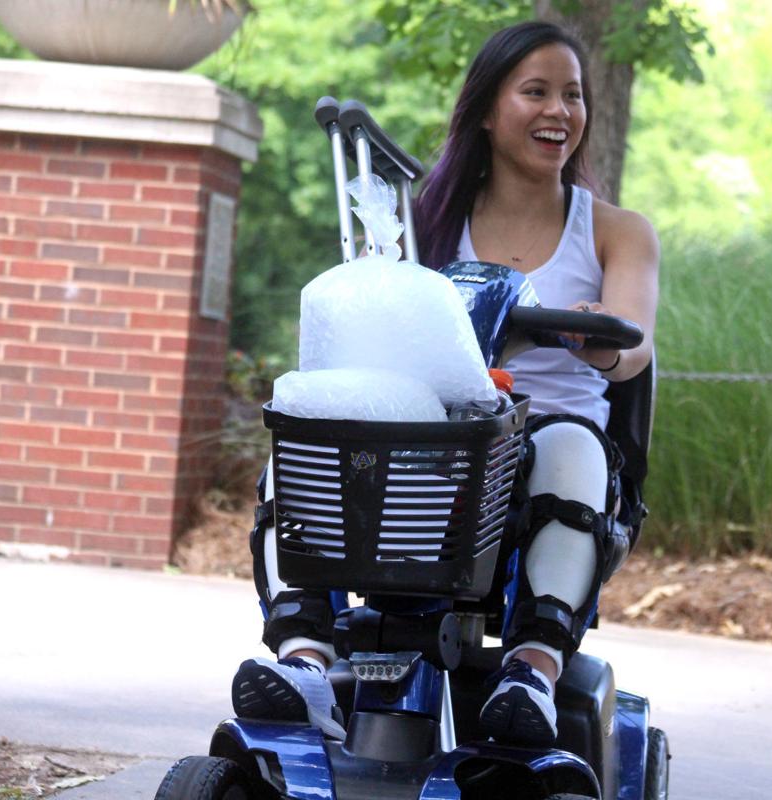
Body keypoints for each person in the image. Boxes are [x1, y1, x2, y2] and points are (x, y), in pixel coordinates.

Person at [232, 20, 660, 746]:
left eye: (573, 96)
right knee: (305, 436)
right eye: (536, 93)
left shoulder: (617, 231)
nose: (560, 112)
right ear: (489, 113)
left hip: (545, 448)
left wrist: (597, 340)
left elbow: (635, 345)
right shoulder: (423, 226)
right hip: (440, 445)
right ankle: (304, 659)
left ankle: (532, 669)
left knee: (570, 448)